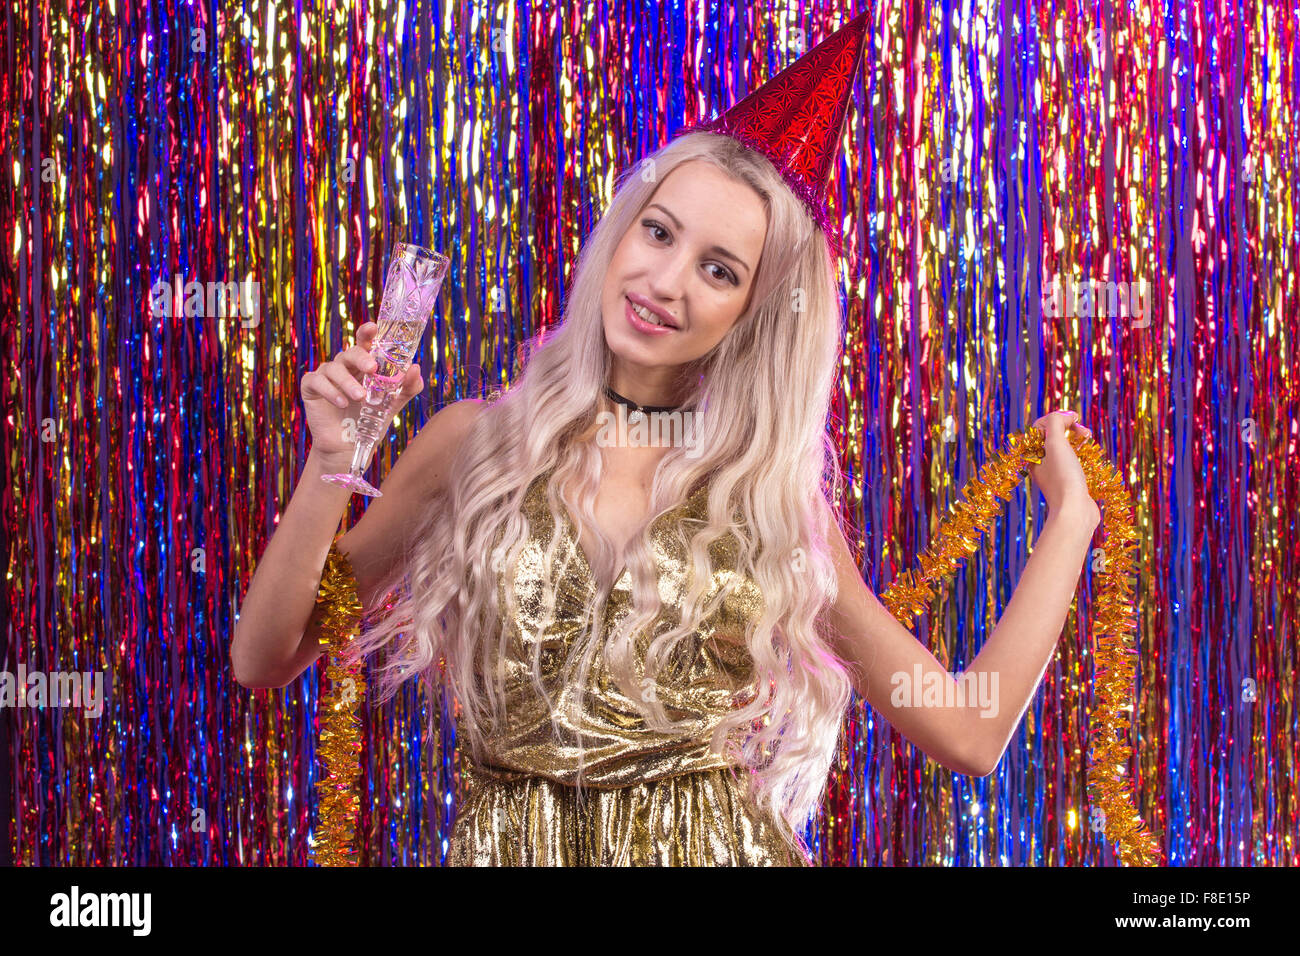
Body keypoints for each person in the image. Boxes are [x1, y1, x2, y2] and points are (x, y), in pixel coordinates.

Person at [231, 15, 1101, 866]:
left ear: (752, 315)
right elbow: (265, 655)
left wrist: (1071, 524)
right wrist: (332, 465)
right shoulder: (476, 447)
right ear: (621, 235)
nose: (665, 281)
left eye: (718, 269)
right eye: (659, 232)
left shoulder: (765, 504)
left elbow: (970, 730)